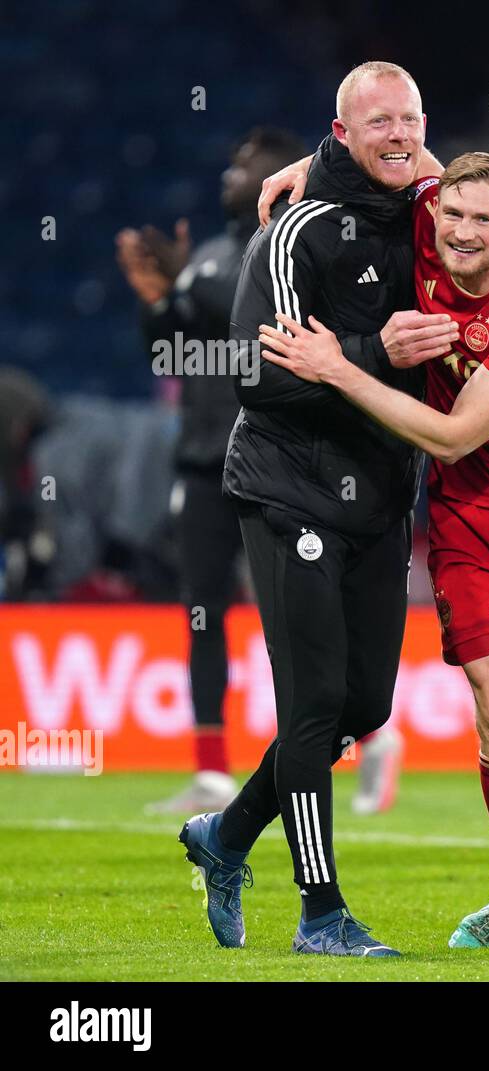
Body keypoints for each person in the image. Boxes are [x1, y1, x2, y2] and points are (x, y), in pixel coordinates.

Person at [178, 62, 489, 958]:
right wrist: (372, 347)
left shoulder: (436, 216)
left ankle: (225, 836)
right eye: (377, 120)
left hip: (383, 497)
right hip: (287, 485)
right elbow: (254, 372)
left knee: (363, 707)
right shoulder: (296, 228)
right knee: (313, 706)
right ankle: (322, 916)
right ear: (341, 130)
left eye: (411, 118)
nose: (397, 133)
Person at [258, 151, 489, 958]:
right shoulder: (428, 218)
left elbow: (451, 436)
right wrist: (307, 163)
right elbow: (395, 143)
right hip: (468, 521)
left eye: (485, 220)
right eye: (452, 214)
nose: (460, 230)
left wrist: (339, 368)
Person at [117, 127, 307, 817]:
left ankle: (330, 745)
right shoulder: (206, 259)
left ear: (279, 177)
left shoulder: (291, 251)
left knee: (291, 612)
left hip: (271, 456)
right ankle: (211, 770)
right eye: (229, 167)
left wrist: (185, 297)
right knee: (203, 613)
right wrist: (158, 301)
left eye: (244, 167)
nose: (231, 177)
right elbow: (170, 357)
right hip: (202, 462)